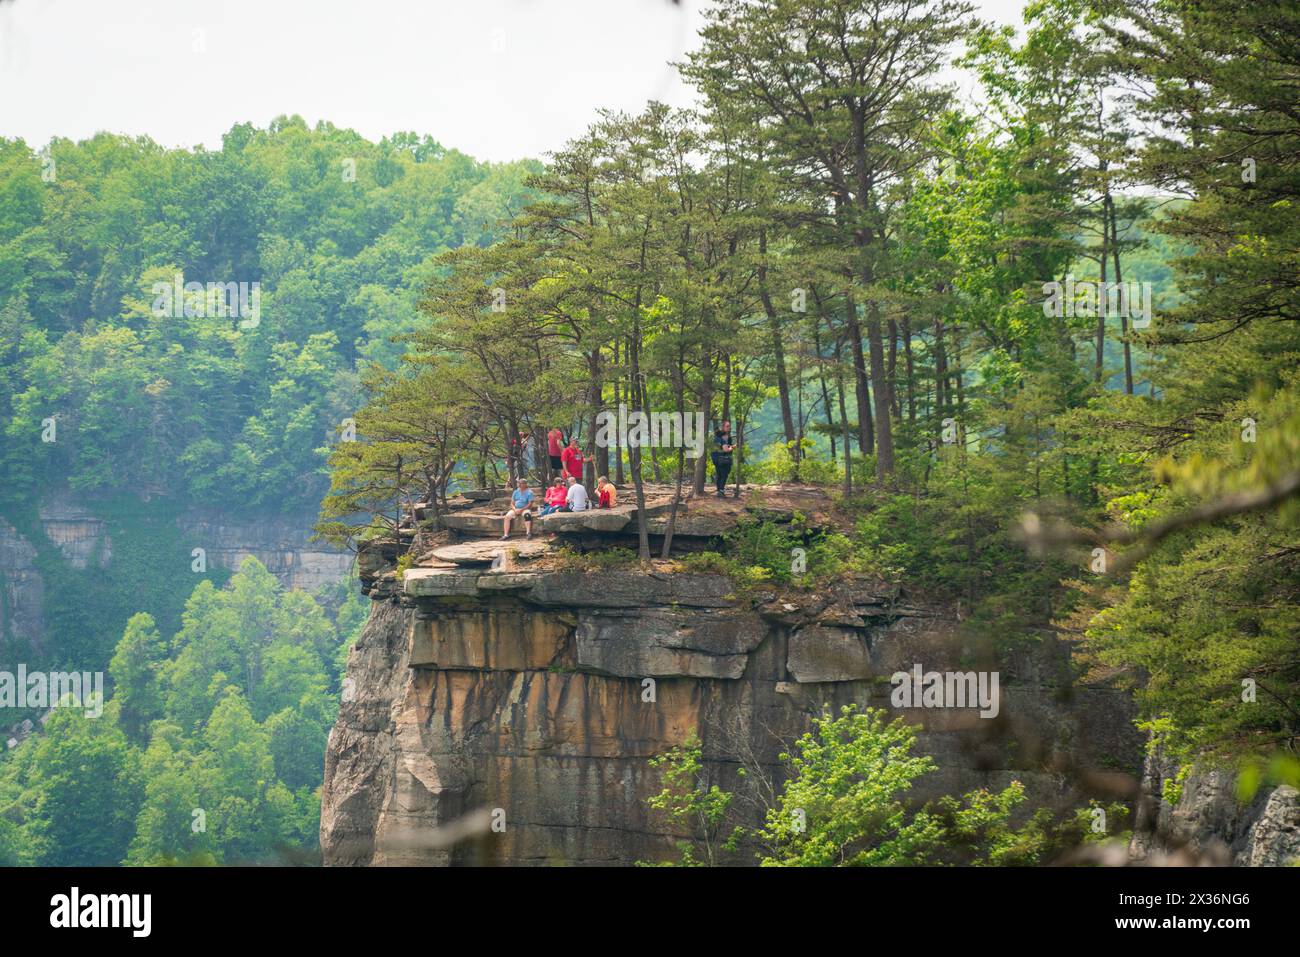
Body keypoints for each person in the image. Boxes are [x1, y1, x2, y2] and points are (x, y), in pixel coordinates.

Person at [711, 421, 736, 496]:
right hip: (722, 459)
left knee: (719, 474)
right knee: (724, 475)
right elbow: (726, 449)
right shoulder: (723, 436)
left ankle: (719, 490)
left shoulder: (718, 436)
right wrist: (733, 447)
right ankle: (721, 491)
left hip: (716, 458)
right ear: (723, 427)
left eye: (729, 426)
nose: (729, 427)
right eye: (727, 426)